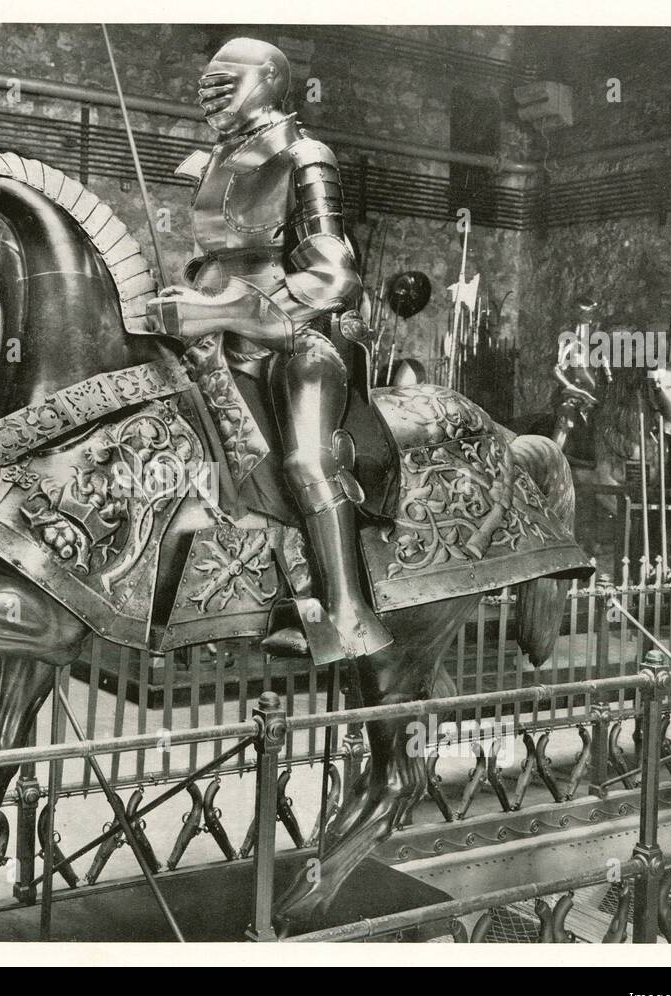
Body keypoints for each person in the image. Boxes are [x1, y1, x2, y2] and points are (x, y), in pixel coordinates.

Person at [147, 37, 391, 662]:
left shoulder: (304, 155)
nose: (211, 90)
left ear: (269, 81)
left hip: (296, 339)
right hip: (216, 338)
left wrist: (221, 311)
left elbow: (336, 276)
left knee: (308, 460)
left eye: (224, 79)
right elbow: (211, 262)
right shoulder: (212, 164)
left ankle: (346, 613)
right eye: (208, 81)